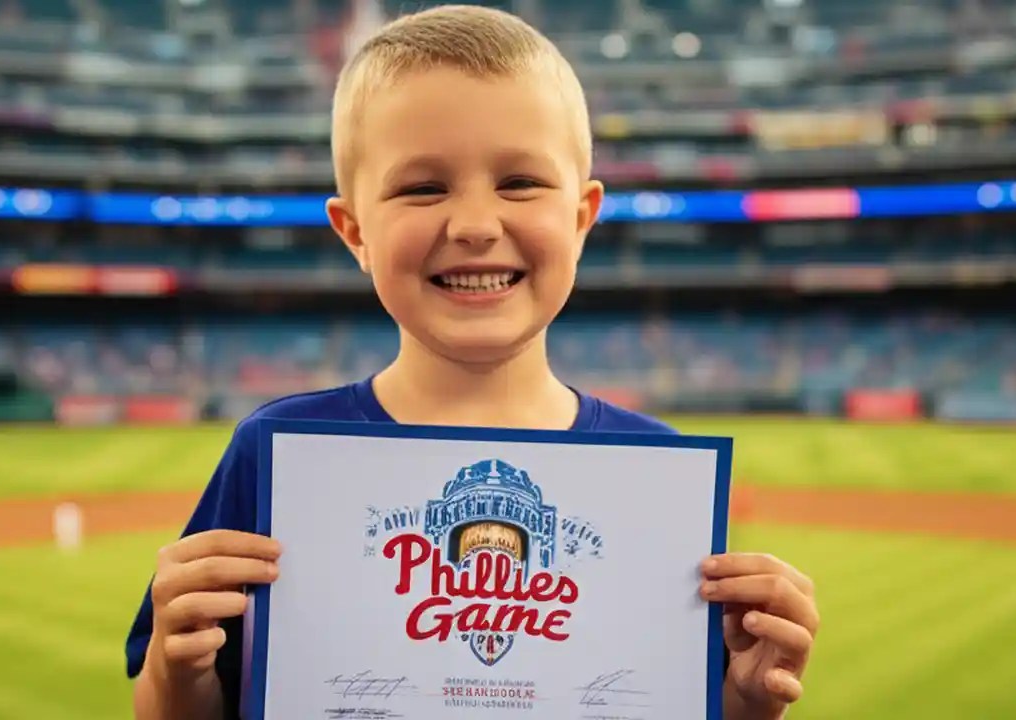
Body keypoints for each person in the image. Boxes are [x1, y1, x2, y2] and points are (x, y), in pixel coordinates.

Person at [126, 6, 819, 719]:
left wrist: (742, 703)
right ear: (355, 231)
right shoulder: (275, 457)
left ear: (582, 218)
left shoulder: (656, 476)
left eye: (520, 181)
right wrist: (175, 675)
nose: (476, 226)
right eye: (423, 188)